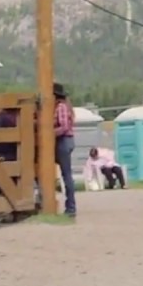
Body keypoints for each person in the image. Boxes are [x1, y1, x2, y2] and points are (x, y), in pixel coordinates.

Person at [53, 83, 78, 217]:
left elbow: (64, 127)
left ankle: (71, 207)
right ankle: (70, 206)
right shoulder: (64, 106)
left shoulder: (61, 107)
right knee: (66, 174)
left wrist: (49, 133)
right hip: (65, 141)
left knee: (66, 175)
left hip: (63, 141)